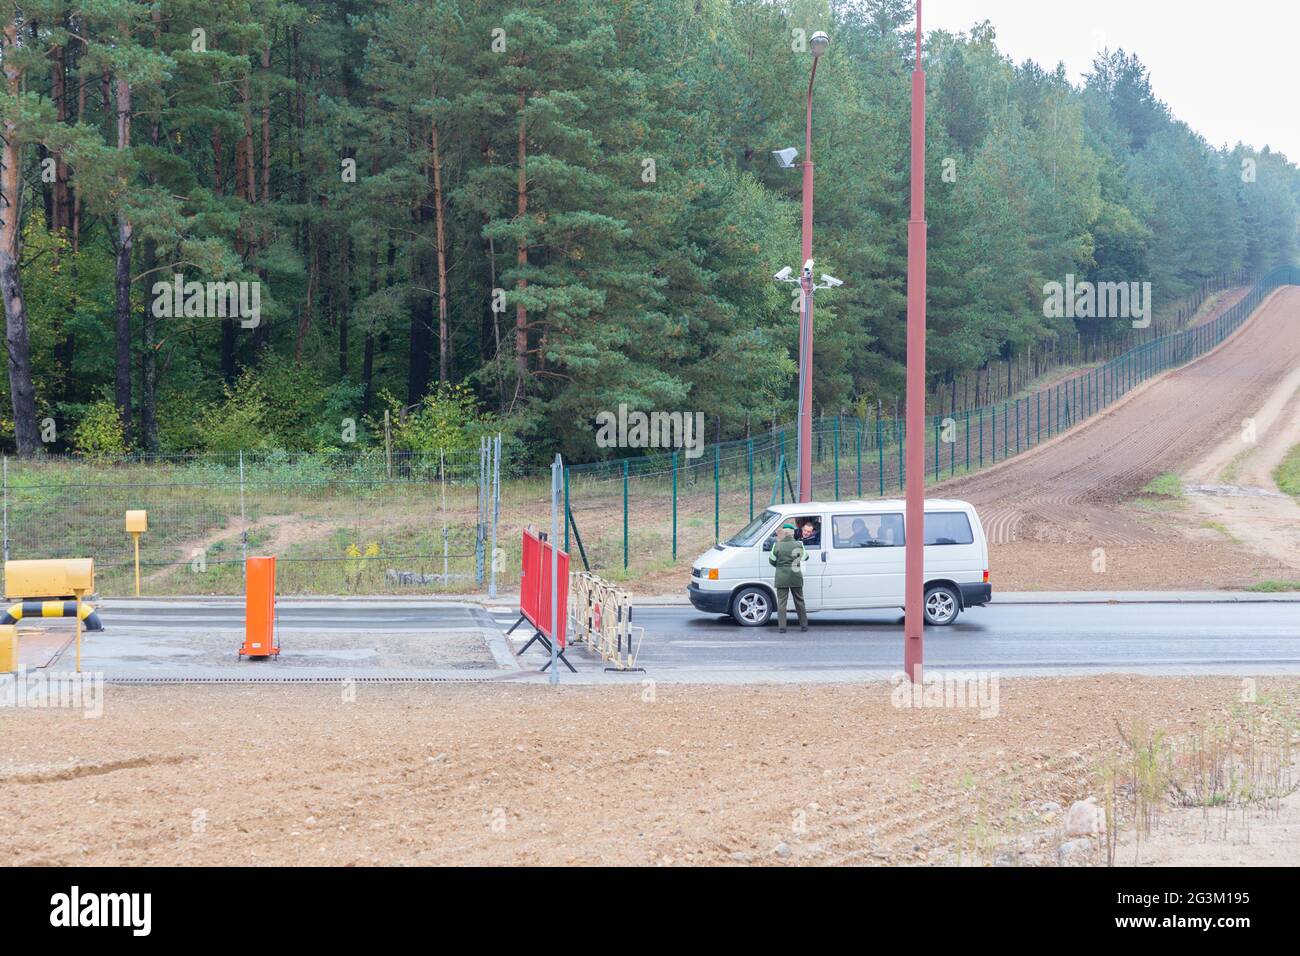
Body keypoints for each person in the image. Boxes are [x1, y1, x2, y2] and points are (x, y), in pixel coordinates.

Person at [768, 523, 808, 633]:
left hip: (781, 576)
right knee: (799, 601)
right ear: (792, 534)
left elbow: (771, 560)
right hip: (796, 575)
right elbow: (805, 557)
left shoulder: (777, 545)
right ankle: (804, 625)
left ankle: (782, 627)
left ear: (784, 534)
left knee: (781, 602)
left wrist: (780, 566)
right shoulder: (799, 544)